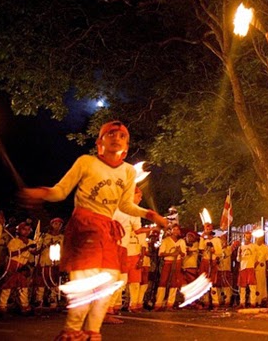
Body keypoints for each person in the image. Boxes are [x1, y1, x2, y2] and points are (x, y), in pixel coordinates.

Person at [19, 120, 168, 341]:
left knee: (108, 281)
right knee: (84, 281)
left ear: (126, 147)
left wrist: (149, 214)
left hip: (107, 229)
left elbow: (125, 205)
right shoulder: (86, 162)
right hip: (85, 225)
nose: (117, 137)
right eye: (111, 133)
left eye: (122, 135)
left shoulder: (127, 171)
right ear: (100, 142)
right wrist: (40, 193)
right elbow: (60, 192)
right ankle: (72, 331)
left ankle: (93, 332)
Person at [107, 187, 157, 320]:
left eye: (140, 196)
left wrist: (155, 227)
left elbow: (138, 230)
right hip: (113, 247)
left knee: (121, 280)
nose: (140, 199)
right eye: (138, 196)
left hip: (123, 249)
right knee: (115, 279)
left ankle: (110, 308)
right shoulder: (117, 208)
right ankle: (108, 309)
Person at [0, 222, 37, 315]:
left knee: (23, 285)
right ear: (19, 230)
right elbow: (11, 254)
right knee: (8, 285)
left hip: (23, 265)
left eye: (28, 229)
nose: (26, 232)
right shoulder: (14, 241)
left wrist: (41, 248)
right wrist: (26, 248)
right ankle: (2, 306)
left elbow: (34, 253)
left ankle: (25, 306)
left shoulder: (30, 241)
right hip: (13, 264)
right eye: (24, 229)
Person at [153, 224, 185, 311]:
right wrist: (171, 254)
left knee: (174, 283)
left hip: (177, 263)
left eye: (177, 230)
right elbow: (161, 253)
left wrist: (179, 252)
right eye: (174, 229)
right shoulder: (166, 240)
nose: (176, 231)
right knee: (163, 282)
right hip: (168, 262)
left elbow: (183, 254)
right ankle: (158, 304)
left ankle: (170, 304)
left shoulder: (181, 241)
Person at [34, 217, 64, 309]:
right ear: (51, 224)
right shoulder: (44, 236)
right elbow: (37, 249)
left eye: (59, 224)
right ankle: (39, 300)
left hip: (56, 263)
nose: (57, 226)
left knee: (54, 282)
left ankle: (53, 299)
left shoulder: (62, 237)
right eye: (55, 223)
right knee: (41, 281)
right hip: (44, 262)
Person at [199, 222, 223, 309]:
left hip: (212, 261)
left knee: (213, 282)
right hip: (205, 261)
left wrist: (214, 252)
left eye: (209, 228)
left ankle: (215, 301)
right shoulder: (204, 240)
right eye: (206, 228)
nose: (207, 230)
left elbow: (220, 253)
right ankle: (206, 301)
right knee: (204, 282)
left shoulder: (216, 240)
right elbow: (201, 249)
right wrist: (202, 237)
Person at [237, 230, 258, 308]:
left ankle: (253, 303)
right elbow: (238, 259)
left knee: (252, 286)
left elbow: (257, 257)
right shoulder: (241, 247)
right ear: (244, 236)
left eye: (249, 235)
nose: (248, 237)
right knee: (242, 287)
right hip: (243, 268)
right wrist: (239, 255)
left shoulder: (254, 246)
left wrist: (255, 265)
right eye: (246, 235)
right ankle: (242, 303)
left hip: (250, 267)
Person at [254, 234, 268, 306]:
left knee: (262, 283)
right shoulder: (253, 246)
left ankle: (262, 299)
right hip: (254, 268)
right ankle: (255, 300)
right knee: (255, 284)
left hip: (261, 268)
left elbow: (267, 258)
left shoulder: (265, 247)